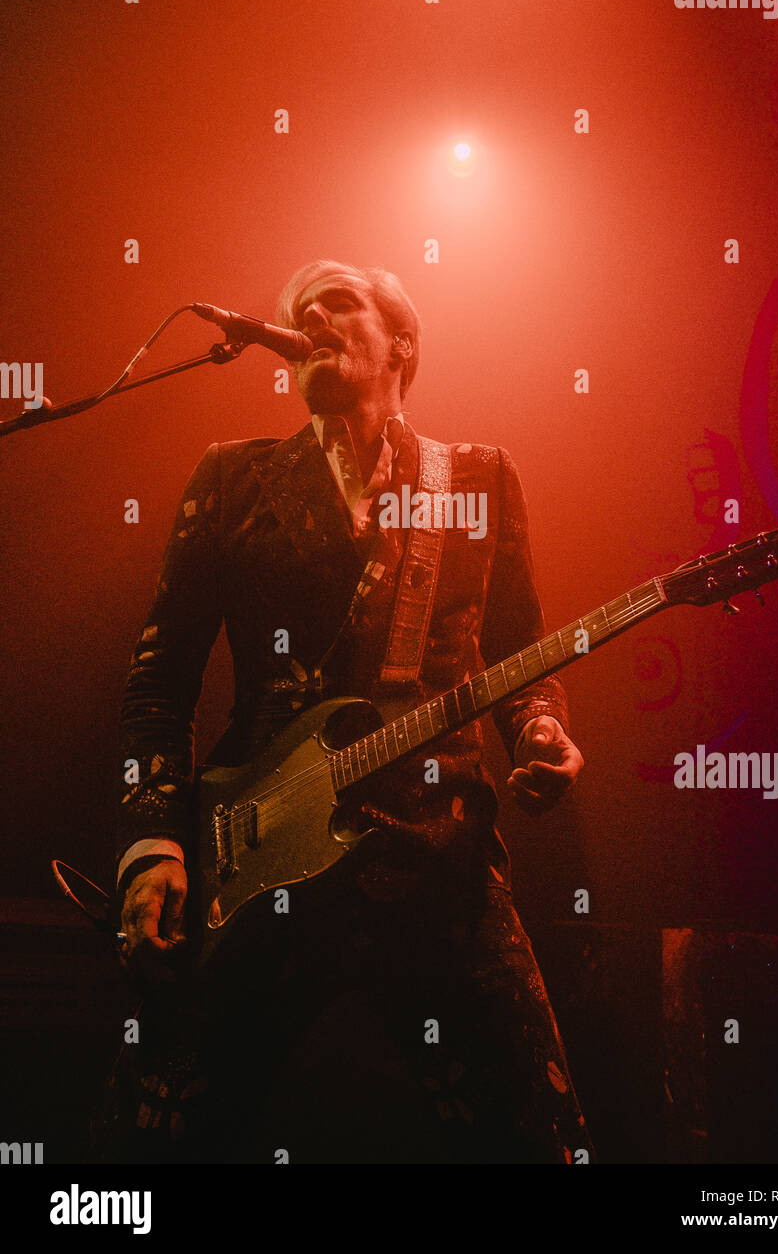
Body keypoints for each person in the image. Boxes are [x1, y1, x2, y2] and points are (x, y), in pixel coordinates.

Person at [97, 259, 595, 1164]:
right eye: (295, 312)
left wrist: (541, 730)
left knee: (537, 1139)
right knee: (156, 1141)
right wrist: (153, 844)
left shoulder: (477, 478)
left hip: (437, 856)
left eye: (337, 300)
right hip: (253, 861)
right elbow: (158, 681)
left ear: (401, 342)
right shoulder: (232, 480)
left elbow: (523, 651)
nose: (308, 316)